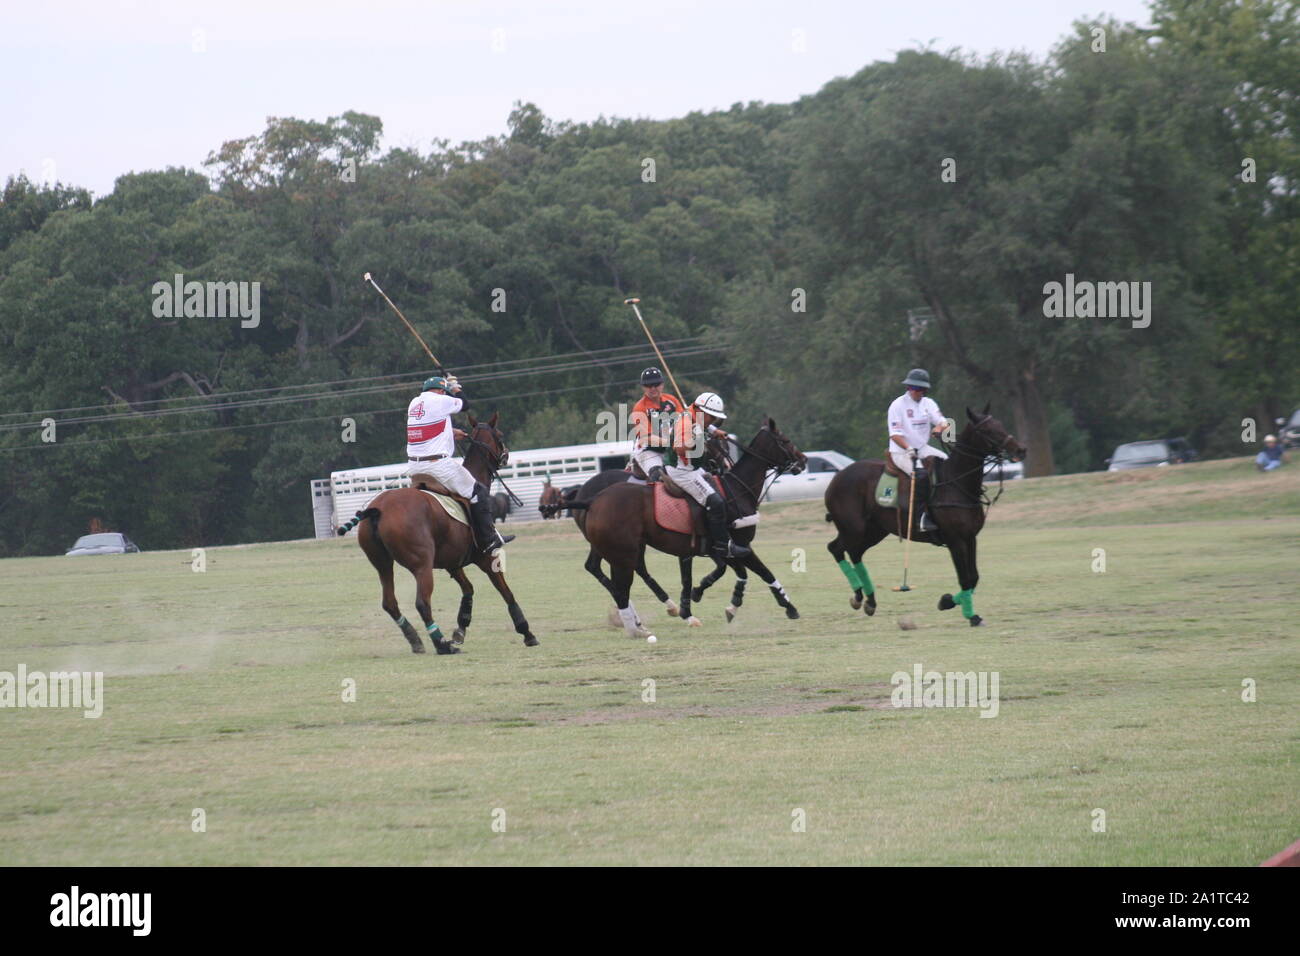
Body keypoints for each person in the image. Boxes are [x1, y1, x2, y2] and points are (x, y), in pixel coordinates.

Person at [407, 375, 512, 555]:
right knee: (478, 491)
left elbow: (427, 427)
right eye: (445, 391)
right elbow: (465, 404)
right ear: (441, 391)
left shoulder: (414, 403)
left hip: (414, 468)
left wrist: (450, 432)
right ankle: (489, 539)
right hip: (438, 465)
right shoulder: (441, 400)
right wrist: (455, 388)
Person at [666, 392, 750, 561]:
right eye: (712, 417)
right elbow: (679, 448)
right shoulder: (685, 423)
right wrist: (694, 440)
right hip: (682, 472)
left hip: (693, 468)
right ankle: (722, 547)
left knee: (720, 490)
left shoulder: (696, 416)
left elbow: (703, 424)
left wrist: (714, 431)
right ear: (701, 411)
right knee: (716, 502)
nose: (713, 420)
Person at [887, 368, 949, 531]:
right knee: (921, 476)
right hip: (901, 452)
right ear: (908, 387)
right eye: (912, 387)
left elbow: (944, 422)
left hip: (922, 448)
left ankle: (942, 504)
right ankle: (920, 518)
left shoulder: (929, 403)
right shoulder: (897, 405)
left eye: (919, 388)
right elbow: (894, 435)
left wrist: (939, 428)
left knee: (947, 463)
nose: (915, 391)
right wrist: (908, 449)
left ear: (925, 389)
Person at [629, 367, 684, 482]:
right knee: (658, 475)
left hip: (669, 449)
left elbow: (685, 422)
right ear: (643, 387)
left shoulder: (671, 400)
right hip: (648, 451)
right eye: (648, 385)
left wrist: (712, 430)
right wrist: (671, 443)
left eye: (656, 384)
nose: (653, 388)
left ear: (662, 384)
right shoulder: (639, 408)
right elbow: (647, 438)